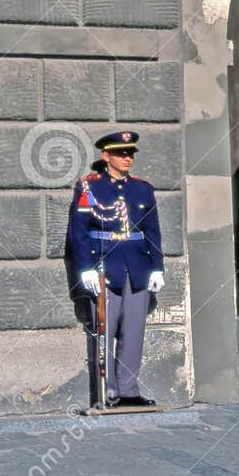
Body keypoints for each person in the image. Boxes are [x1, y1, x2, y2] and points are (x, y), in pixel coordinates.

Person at [66, 129, 165, 407]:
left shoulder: (143, 189)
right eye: (121, 153)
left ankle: (129, 391)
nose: (127, 158)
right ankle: (109, 393)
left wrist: (157, 267)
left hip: (138, 267)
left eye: (130, 153)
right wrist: (85, 268)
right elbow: (79, 233)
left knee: (134, 331)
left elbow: (152, 231)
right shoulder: (89, 187)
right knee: (105, 331)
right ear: (106, 156)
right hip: (104, 267)